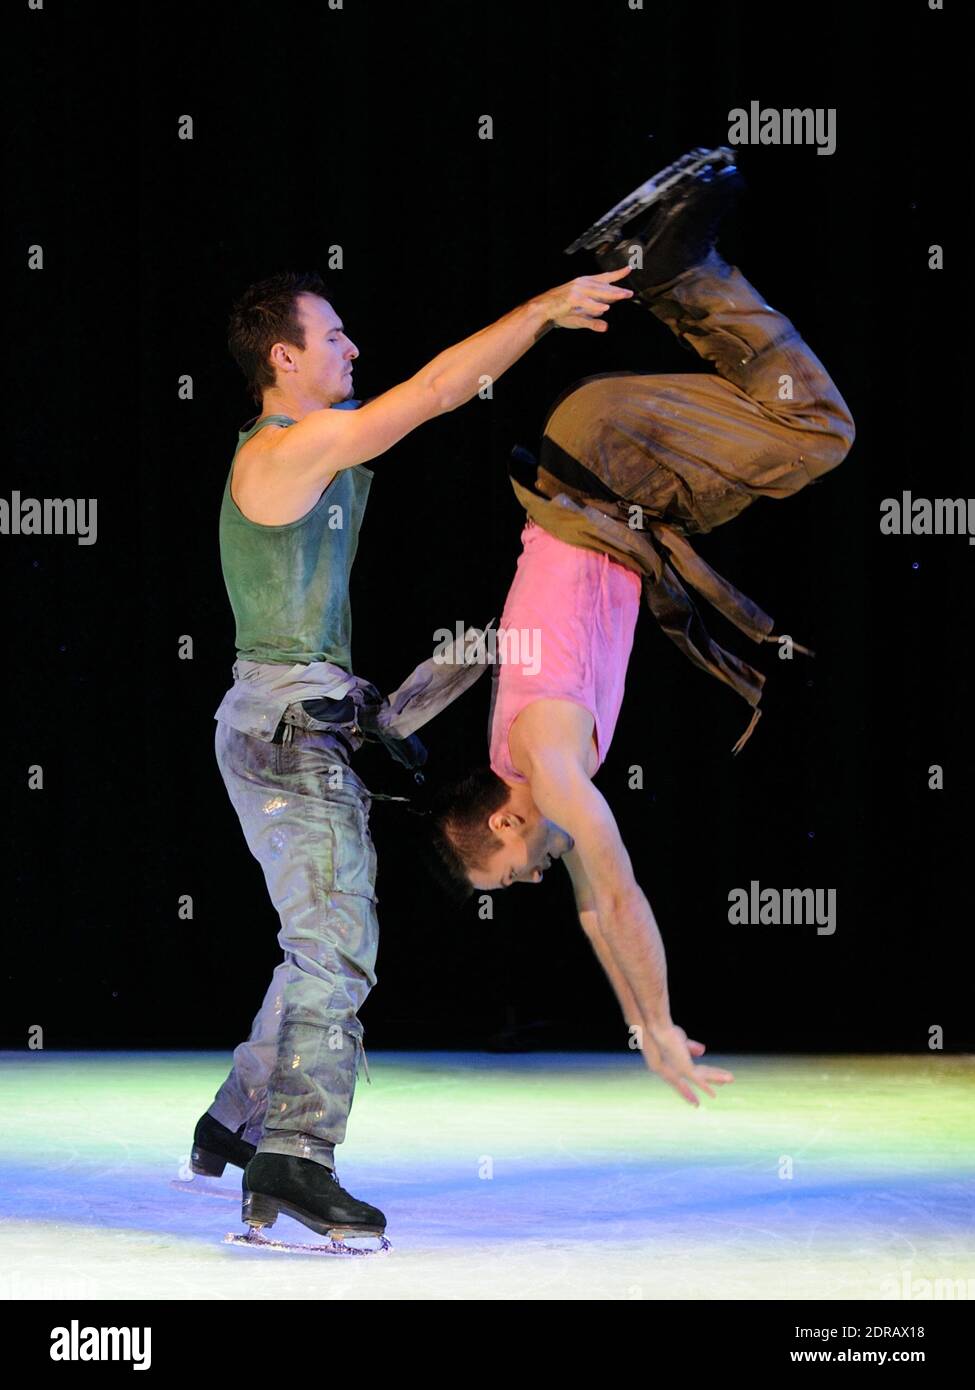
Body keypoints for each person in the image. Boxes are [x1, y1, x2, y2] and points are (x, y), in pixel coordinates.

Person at [191, 262, 635, 1243]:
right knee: (334, 950)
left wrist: (462, 665)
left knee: (314, 945)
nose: (353, 349)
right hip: (282, 740)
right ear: (284, 356)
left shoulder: (296, 458)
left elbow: (329, 669)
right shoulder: (284, 450)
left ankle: (235, 1120)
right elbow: (436, 391)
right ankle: (296, 1155)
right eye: (335, 336)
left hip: (302, 727)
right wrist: (544, 310)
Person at [428, 147, 856, 1110]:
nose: (528, 880)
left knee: (817, 436)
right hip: (607, 479)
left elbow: (614, 894)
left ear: (503, 822)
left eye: (507, 874)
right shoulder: (538, 765)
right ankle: (664, 256)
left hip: (604, 469)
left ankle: (672, 267)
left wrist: (660, 1024)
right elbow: (593, 912)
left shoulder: (543, 753)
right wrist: (642, 1032)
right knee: (788, 428)